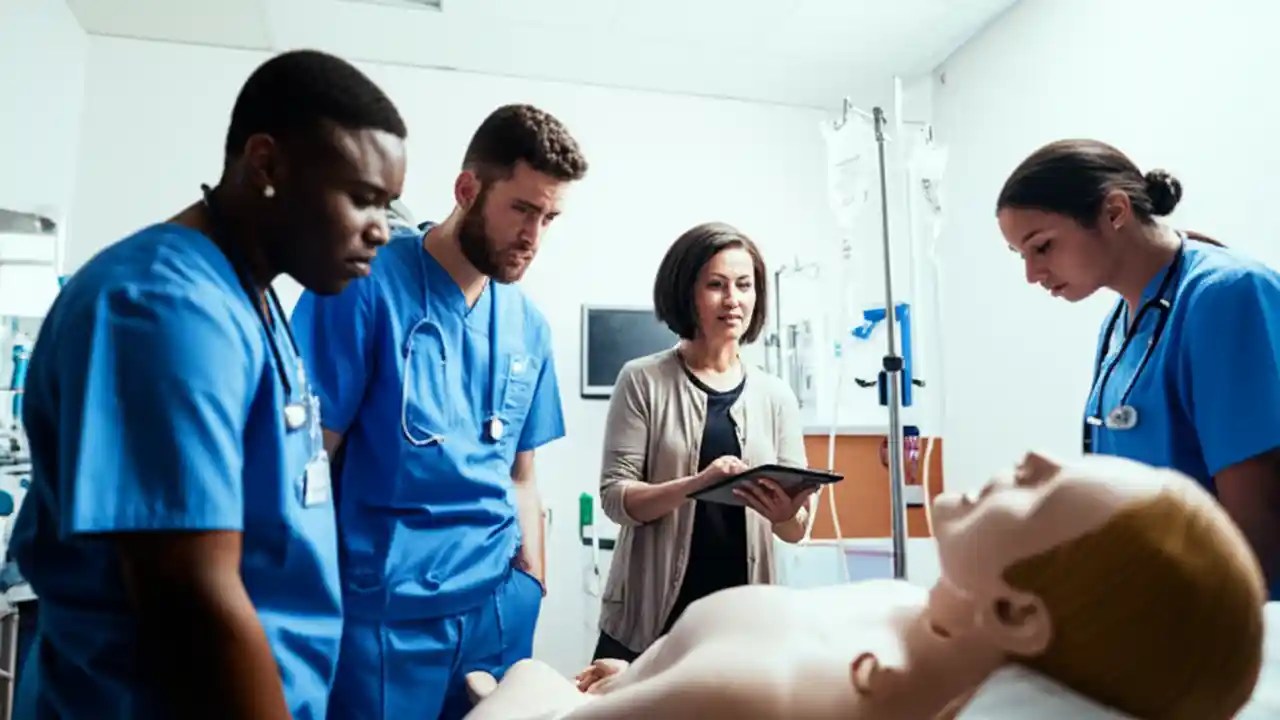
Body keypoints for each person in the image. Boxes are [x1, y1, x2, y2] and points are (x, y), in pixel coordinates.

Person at [8, 50, 408, 720]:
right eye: (363, 198)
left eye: (389, 206)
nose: (382, 231)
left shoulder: (247, 298)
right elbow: (190, 598)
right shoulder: (161, 306)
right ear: (266, 164)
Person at [463, 450, 1266, 720]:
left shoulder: (762, 694)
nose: (1034, 459)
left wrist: (521, 683)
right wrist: (636, 676)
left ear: (1018, 612)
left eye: (1047, 489)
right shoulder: (914, 610)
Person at [290, 103, 588, 719]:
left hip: (498, 612)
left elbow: (521, 476)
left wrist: (530, 581)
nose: (534, 237)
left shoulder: (528, 326)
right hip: (386, 619)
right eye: (523, 210)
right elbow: (307, 464)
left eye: (550, 218)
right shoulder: (361, 286)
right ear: (467, 189)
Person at [996, 139, 1280, 600]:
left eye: (1042, 247)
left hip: (1232, 621)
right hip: (1159, 603)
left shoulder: (1225, 296)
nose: (1032, 273)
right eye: (1021, 256)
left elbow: (1259, 517)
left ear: (1114, 212)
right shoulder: (1120, 325)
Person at [592, 222, 817, 664]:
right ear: (686, 292)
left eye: (744, 285)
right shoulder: (642, 380)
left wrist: (786, 514)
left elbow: (797, 529)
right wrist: (695, 484)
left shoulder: (776, 396)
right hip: (649, 620)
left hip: (743, 623)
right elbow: (617, 498)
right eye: (716, 285)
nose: (733, 300)